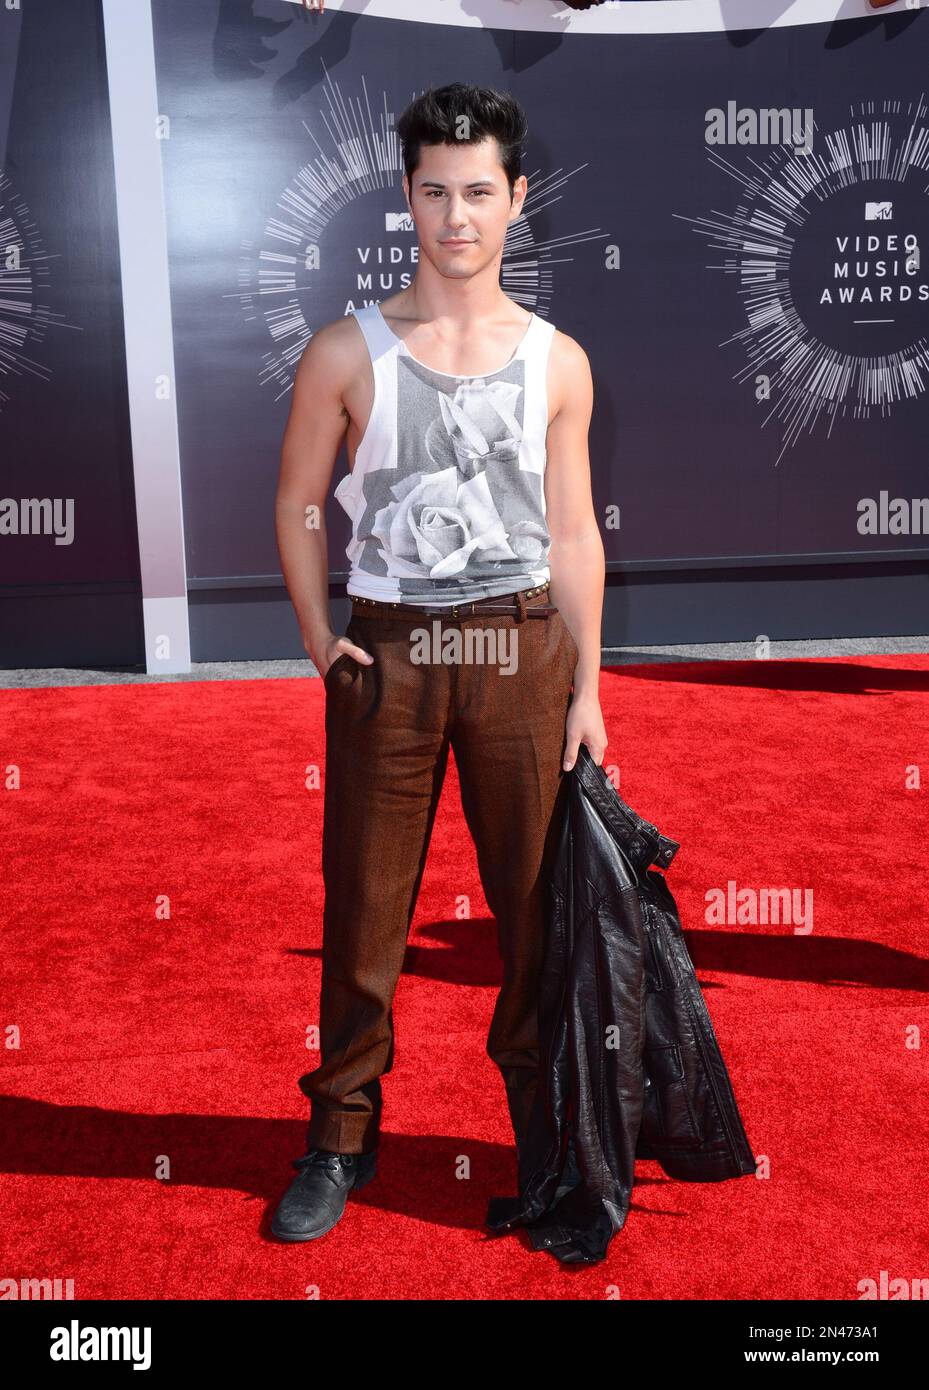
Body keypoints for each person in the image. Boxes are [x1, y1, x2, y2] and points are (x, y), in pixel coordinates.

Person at [271, 82, 606, 1242]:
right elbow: (299, 502)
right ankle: (338, 1138)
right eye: (431, 191)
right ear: (404, 195)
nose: (453, 216)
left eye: (477, 192)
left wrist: (591, 687)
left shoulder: (557, 360)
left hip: (522, 653)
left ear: (516, 198)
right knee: (363, 911)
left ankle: (542, 1134)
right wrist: (322, 638)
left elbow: (572, 531)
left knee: (530, 919)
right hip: (390, 654)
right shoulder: (344, 348)